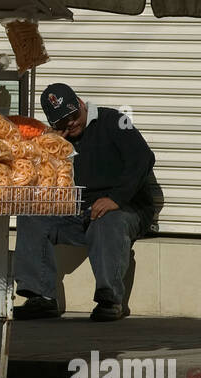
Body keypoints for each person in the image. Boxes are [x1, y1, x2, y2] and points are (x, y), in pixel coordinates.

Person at [13, 83, 157, 322]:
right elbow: (43, 179)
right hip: (79, 210)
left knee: (106, 219)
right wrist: (52, 150)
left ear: (80, 103)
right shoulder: (60, 139)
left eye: (72, 115)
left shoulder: (113, 121)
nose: (70, 123)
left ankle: (110, 299)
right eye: (61, 121)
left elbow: (143, 158)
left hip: (125, 206)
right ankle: (40, 297)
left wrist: (115, 198)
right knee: (31, 214)